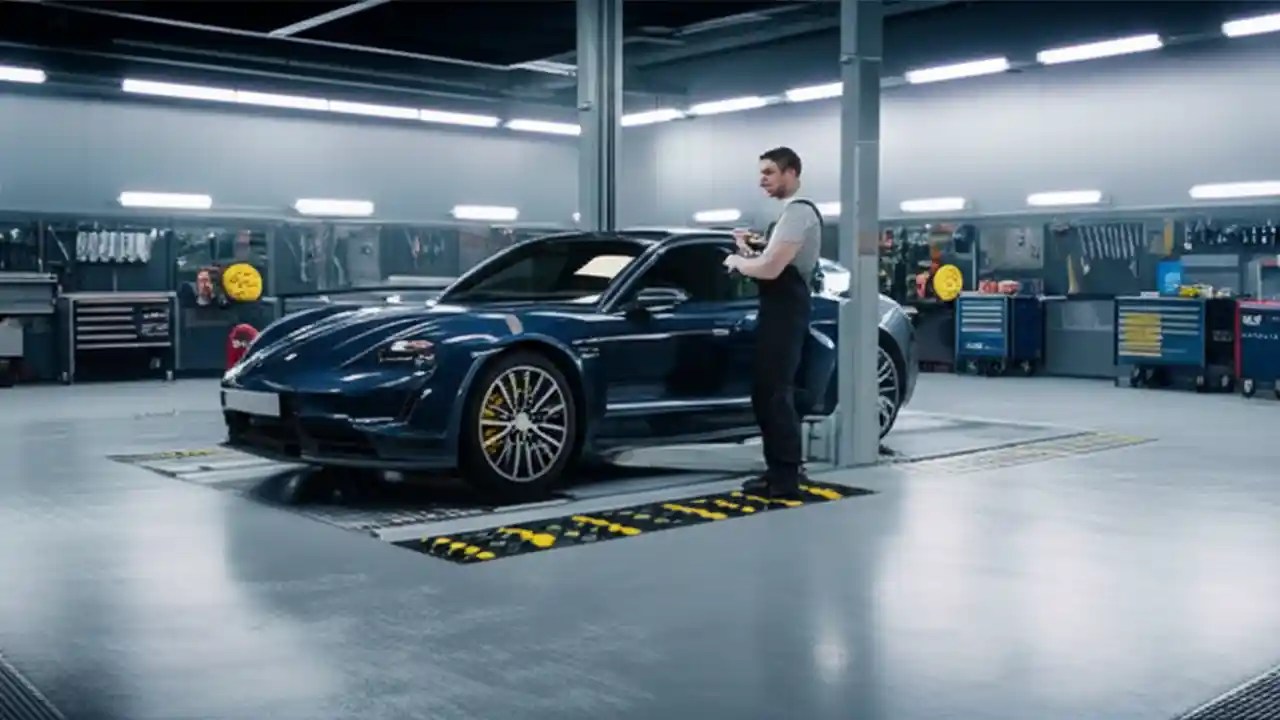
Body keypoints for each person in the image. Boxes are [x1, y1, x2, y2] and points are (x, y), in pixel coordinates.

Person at [722, 146, 822, 499]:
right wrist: (750, 250)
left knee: (775, 393)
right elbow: (769, 262)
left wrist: (737, 260)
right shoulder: (789, 215)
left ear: (791, 173)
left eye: (769, 172)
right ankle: (777, 470)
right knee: (768, 393)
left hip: (786, 313)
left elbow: (771, 269)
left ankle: (786, 478)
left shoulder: (798, 213)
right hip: (779, 310)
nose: (761, 179)